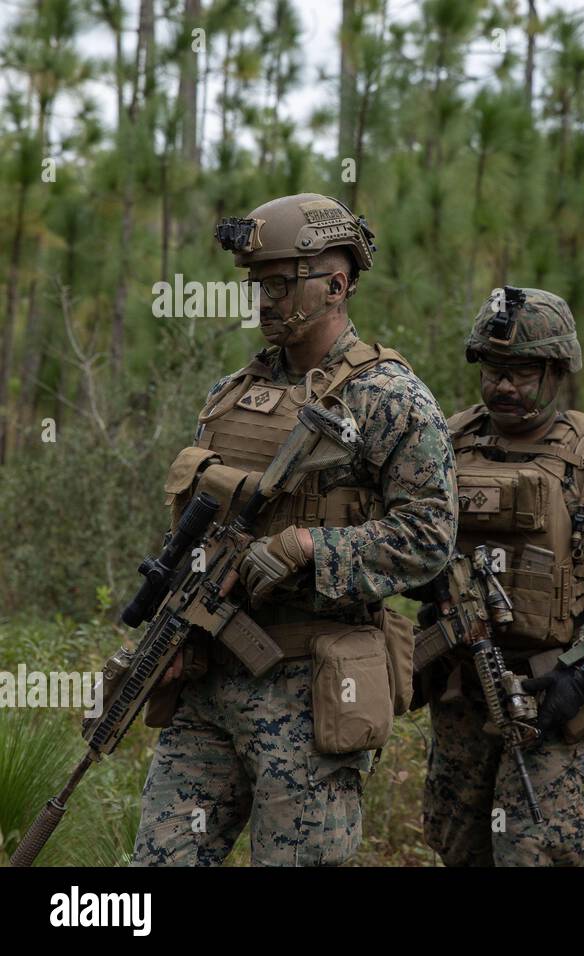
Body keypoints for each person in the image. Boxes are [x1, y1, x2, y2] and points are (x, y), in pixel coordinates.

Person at [132, 193, 457, 866]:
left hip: (312, 691)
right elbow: (196, 533)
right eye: (257, 284)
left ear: (335, 285)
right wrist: (174, 626)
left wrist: (313, 545)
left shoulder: (389, 396)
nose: (264, 300)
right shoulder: (231, 393)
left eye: (281, 283)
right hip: (208, 684)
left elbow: (429, 537)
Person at [419, 285, 584, 866]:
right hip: (460, 679)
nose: (503, 385)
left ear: (557, 372)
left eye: (522, 372)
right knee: (457, 842)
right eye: (494, 370)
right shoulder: (444, 447)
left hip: (550, 687)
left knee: (533, 849)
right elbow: (404, 536)